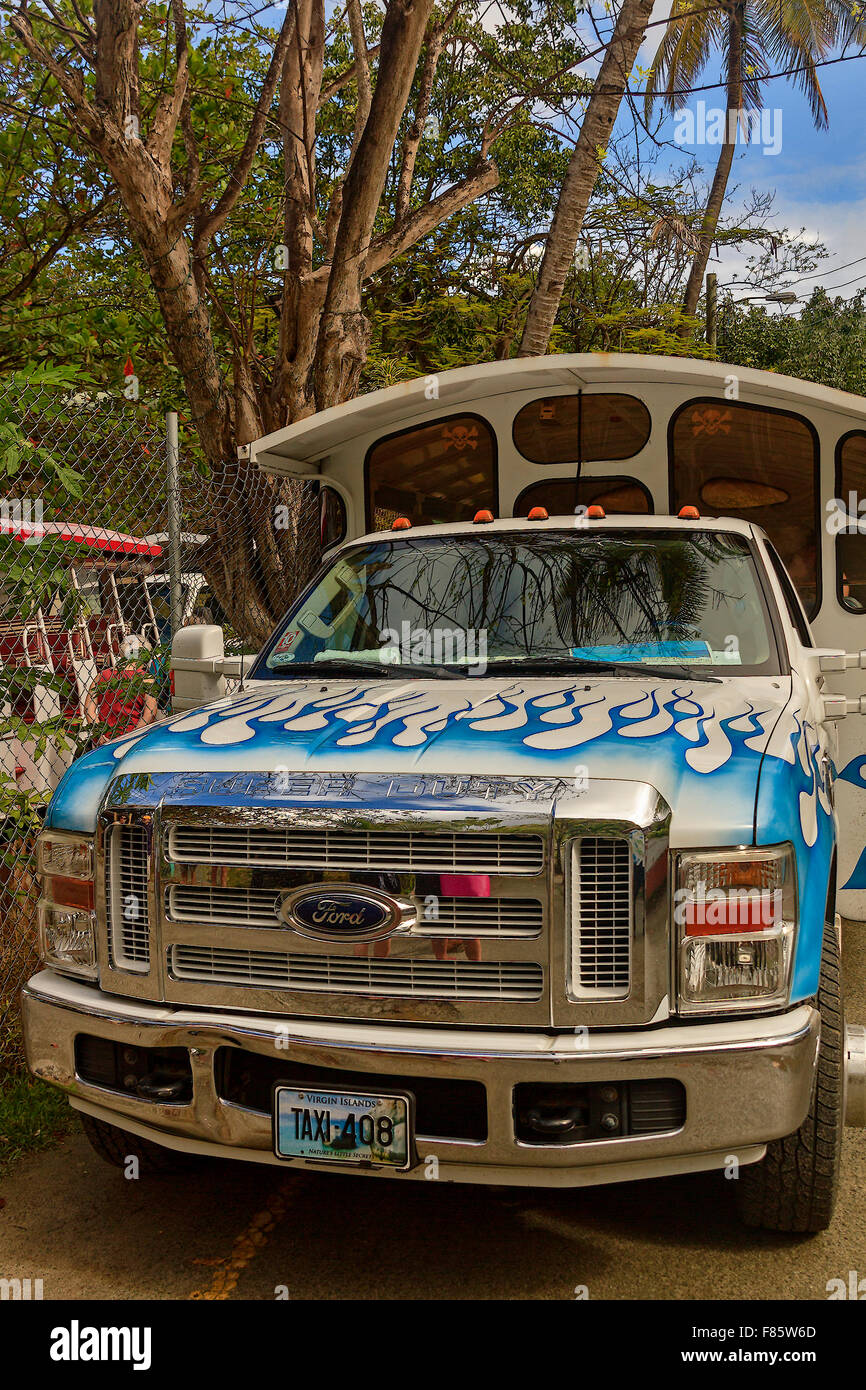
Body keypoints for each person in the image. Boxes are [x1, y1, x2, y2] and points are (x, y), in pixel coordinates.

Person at [83, 634, 158, 746]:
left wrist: (100, 734)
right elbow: (150, 713)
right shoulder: (145, 679)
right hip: (133, 737)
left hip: (106, 737)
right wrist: (134, 735)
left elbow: (89, 709)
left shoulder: (102, 676)